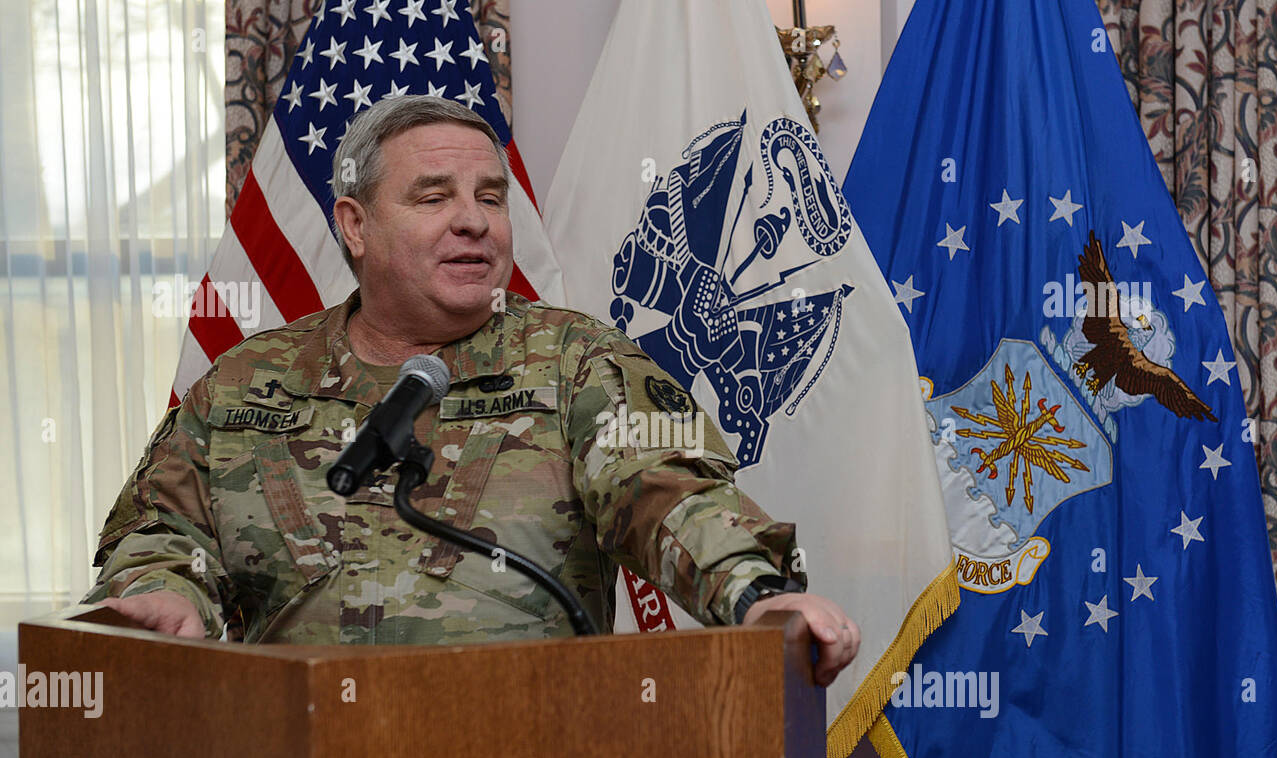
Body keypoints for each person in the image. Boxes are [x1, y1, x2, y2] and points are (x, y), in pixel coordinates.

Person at [87, 96, 861, 686]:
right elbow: (163, 530)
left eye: (491, 198)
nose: (474, 222)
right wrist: (162, 592)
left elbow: (673, 495)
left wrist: (758, 593)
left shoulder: (575, 361)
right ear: (355, 226)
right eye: (434, 198)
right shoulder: (244, 384)